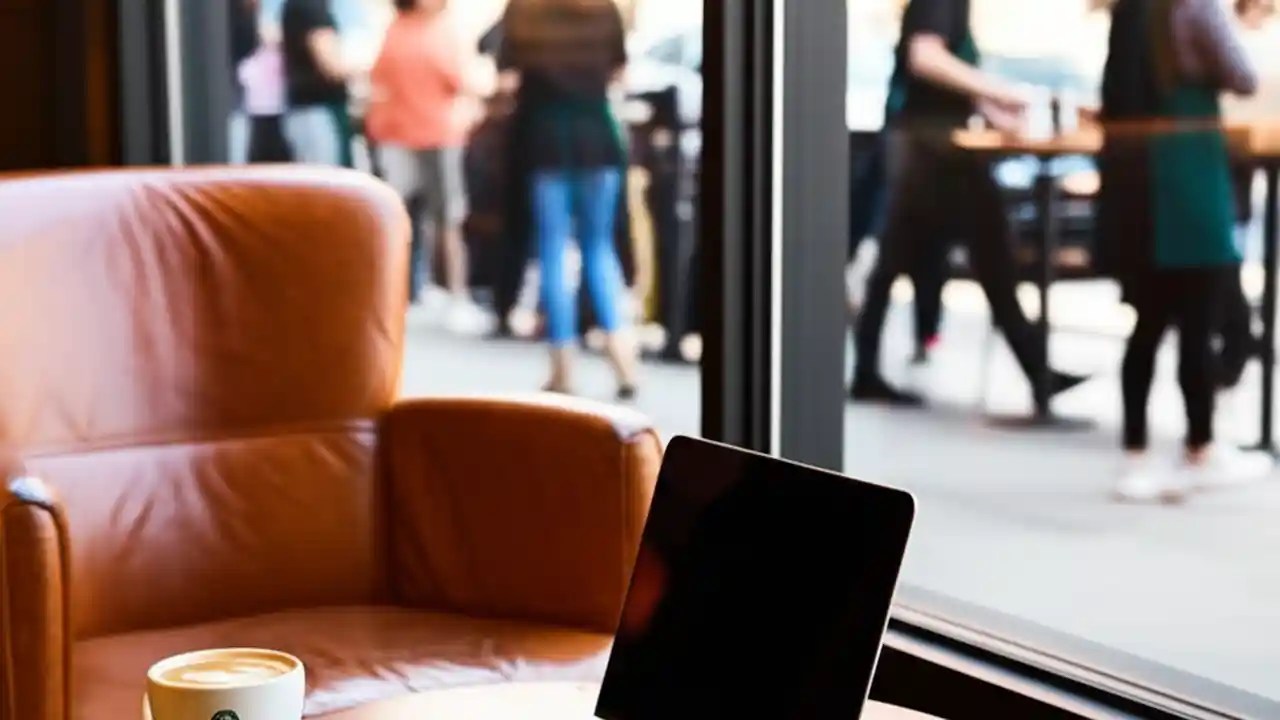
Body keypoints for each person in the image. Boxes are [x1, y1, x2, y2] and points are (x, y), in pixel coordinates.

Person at [850, 0, 1086, 407]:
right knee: (978, 257)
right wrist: (1001, 92)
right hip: (933, 152)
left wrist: (992, 109)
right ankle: (1038, 373)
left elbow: (941, 81)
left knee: (933, 260)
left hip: (933, 147)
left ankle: (1037, 372)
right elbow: (925, 59)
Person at [1102, 0, 1271, 503]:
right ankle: (1200, 446)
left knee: (1149, 322)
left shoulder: (1131, 11)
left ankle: (1135, 454)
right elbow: (1243, 77)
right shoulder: (1197, 6)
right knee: (1200, 319)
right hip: (1190, 168)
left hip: (1143, 179)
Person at [499, 0, 640, 399]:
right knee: (599, 248)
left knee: (554, 249)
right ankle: (622, 356)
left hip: (546, 138)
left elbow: (508, 77)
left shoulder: (525, 9)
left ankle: (563, 366)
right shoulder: (604, 8)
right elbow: (620, 72)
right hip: (598, 137)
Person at [367, 0, 492, 333]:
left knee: (403, 218)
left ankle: (404, 292)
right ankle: (453, 295)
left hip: (400, 132)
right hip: (433, 133)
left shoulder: (395, 32)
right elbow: (457, 80)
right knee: (445, 220)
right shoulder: (433, 34)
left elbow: (379, 77)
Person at [281, 0, 352, 166]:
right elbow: (331, 65)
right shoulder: (310, 6)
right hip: (317, 112)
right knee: (325, 183)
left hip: (304, 110)